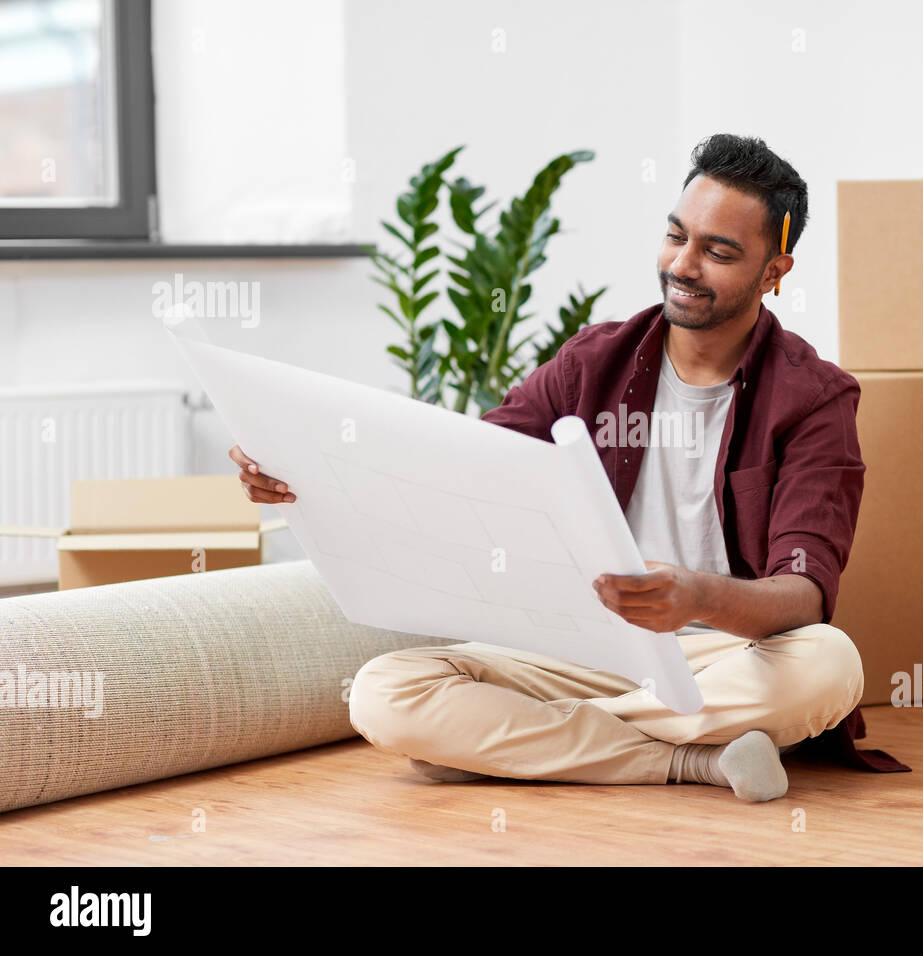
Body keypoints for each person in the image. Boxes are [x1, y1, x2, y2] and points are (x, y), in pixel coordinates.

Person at [230, 133, 867, 802]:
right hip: (577, 652)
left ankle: (522, 744)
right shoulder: (594, 362)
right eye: (676, 236)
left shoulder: (815, 398)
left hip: (725, 660)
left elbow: (805, 595)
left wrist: (697, 595)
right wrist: (302, 473)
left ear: (774, 273)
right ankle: (695, 761)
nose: (683, 264)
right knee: (385, 692)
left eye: (718, 252)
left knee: (829, 666)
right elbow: (455, 470)